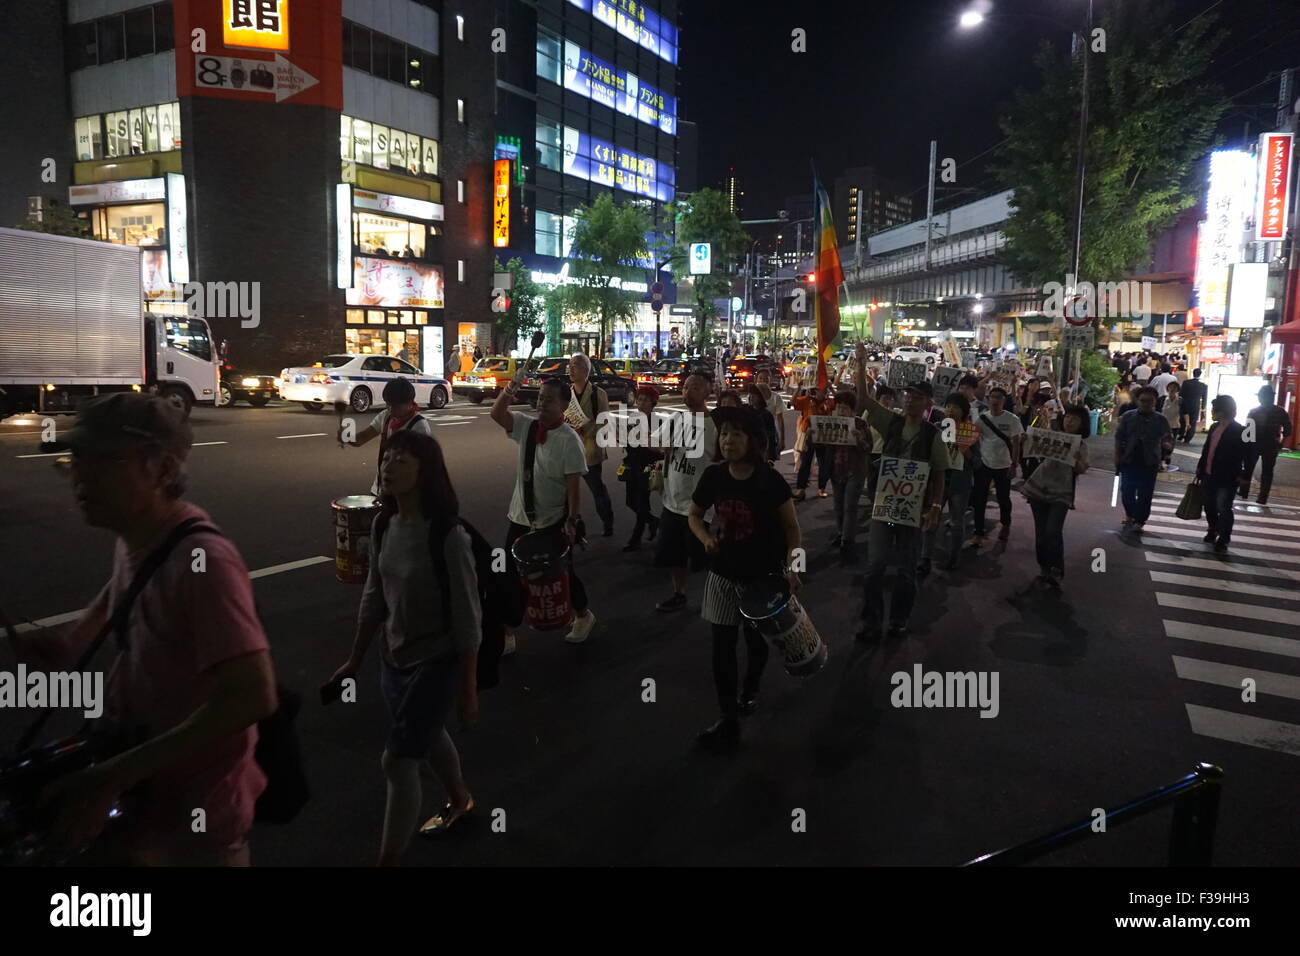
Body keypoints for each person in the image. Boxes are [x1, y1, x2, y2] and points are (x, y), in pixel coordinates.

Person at [17, 393, 277, 865]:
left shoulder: (204, 563)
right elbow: (126, 581)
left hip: (195, 823)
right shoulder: (140, 537)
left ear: (160, 468)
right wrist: (74, 637)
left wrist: (114, 775)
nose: (80, 477)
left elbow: (252, 695)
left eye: (103, 461)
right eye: (75, 459)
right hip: (145, 804)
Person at [329, 431, 480, 865]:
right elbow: (374, 595)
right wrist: (354, 659)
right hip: (392, 657)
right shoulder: (382, 524)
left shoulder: (449, 537)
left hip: (437, 661)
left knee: (397, 762)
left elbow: (468, 619)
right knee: (427, 738)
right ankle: (461, 800)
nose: (389, 466)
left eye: (402, 460)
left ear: (426, 472)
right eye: (387, 458)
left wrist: (467, 690)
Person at [688, 406, 801, 751]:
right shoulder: (713, 476)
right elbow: (694, 515)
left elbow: (792, 528)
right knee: (721, 649)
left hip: (761, 579)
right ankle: (728, 718)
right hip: (722, 576)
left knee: (755, 644)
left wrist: (795, 566)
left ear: (753, 440)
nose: (728, 440)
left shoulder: (770, 480)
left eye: (736, 433)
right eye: (724, 433)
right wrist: (705, 538)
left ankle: (750, 689)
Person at [492, 373, 597, 643]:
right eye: (540, 398)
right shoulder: (526, 426)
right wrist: (509, 390)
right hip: (520, 516)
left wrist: (573, 520)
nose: (542, 404)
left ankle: (583, 614)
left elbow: (573, 487)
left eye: (549, 400)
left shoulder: (569, 440)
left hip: (552, 520)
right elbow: (497, 413)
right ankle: (507, 632)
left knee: (561, 573)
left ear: (564, 405)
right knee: (507, 573)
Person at [654, 374, 717, 612]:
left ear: (707, 392)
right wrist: (663, 446)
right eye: (686, 386)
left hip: (698, 504)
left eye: (696, 387)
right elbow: (660, 444)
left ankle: (718, 596)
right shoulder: (676, 419)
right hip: (672, 500)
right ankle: (679, 593)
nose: (688, 391)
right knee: (674, 555)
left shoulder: (714, 425)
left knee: (704, 556)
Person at [1021, 405, 1091, 590]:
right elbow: (1033, 448)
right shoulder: (1052, 436)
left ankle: (1057, 568)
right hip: (1039, 487)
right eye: (1068, 417)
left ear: (1082, 424)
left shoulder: (1081, 445)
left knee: (1053, 530)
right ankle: (1044, 567)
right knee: (1041, 533)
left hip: (1062, 491)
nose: (1070, 421)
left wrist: (1076, 460)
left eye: (1075, 419)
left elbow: (1082, 468)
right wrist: (1025, 440)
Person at [339, 378, 433, 496]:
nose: (390, 409)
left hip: (405, 494)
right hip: (381, 490)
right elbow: (362, 438)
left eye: (396, 406)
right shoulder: (385, 417)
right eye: (388, 404)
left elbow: (424, 466)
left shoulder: (419, 427)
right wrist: (347, 437)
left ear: (410, 403)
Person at [923, 392, 977, 573]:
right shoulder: (936, 428)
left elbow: (978, 462)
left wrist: (967, 450)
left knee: (956, 522)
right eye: (948, 406)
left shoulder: (970, 431)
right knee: (932, 518)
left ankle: (954, 557)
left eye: (956, 407)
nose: (951, 410)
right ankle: (925, 558)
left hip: (960, 483)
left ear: (964, 412)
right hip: (939, 481)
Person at [969, 386, 1023, 546]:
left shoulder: (1012, 419)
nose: (995, 400)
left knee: (1003, 499)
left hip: (1004, 465)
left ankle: (1006, 524)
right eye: (992, 397)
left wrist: (1014, 464)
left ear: (1003, 400)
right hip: (984, 464)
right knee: (980, 500)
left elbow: (1016, 443)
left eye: (998, 397)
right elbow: (972, 438)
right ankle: (978, 532)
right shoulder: (982, 419)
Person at [568, 353, 616, 537]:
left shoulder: (598, 394)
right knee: (565, 493)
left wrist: (584, 428)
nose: (571, 369)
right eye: (570, 365)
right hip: (569, 450)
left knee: (597, 489)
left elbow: (604, 422)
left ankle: (608, 521)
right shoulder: (566, 393)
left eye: (576, 365)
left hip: (589, 451)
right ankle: (570, 527)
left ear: (586, 370)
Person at [1114, 386, 1172, 533]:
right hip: (1129, 459)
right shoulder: (1128, 416)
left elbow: (1168, 439)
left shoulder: (1161, 419)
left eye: (1149, 401)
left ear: (1155, 402)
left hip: (1150, 462)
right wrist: (1116, 455)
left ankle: (1139, 520)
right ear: (1137, 401)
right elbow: (1119, 437)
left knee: (1145, 493)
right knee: (1127, 490)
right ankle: (1131, 514)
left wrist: (1167, 448)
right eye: (1143, 400)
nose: (1146, 403)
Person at [1197, 395, 1251, 552]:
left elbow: (1248, 456)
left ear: (1223, 411)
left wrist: (1244, 476)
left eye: (1215, 409)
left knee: (1224, 506)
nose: (1212, 412)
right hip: (1209, 473)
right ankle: (1213, 529)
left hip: (1227, 477)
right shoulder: (1214, 427)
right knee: (1209, 505)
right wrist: (1201, 468)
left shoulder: (1240, 431)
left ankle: (1224, 537)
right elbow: (1207, 449)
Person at [827, 390, 872, 562]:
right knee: (838, 505)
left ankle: (847, 541)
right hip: (837, 469)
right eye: (838, 407)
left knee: (850, 507)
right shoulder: (831, 423)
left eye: (845, 408)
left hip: (855, 471)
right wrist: (812, 436)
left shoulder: (860, 424)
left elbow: (869, 447)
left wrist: (860, 439)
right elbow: (825, 446)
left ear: (852, 410)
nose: (841, 411)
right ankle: (841, 532)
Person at [621, 385, 663, 551]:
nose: (642, 403)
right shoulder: (632, 419)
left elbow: (661, 448)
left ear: (653, 403)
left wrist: (645, 440)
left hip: (647, 467)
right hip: (631, 464)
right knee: (630, 502)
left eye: (646, 400)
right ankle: (654, 522)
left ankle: (635, 539)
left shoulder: (656, 422)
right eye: (640, 399)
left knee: (641, 503)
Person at [1245, 386, 1293, 504]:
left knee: (1248, 468)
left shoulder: (1254, 411)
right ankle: (1262, 497)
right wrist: (1281, 443)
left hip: (1254, 444)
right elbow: (1287, 429)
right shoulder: (1280, 412)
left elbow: (1247, 430)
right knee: (1267, 472)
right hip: (1271, 444)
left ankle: (1244, 491)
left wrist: (1245, 445)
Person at [792, 383, 835, 500]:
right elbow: (793, 402)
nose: (825, 392)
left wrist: (831, 388)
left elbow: (840, 402)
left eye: (826, 390)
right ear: (816, 390)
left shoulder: (829, 402)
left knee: (823, 463)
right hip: (809, 436)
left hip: (823, 437)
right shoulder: (807, 400)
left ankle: (822, 488)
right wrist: (799, 387)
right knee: (805, 462)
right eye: (823, 389)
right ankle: (801, 488)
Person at [746, 384, 780, 466]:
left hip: (762, 452)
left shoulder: (766, 415)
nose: (751, 397)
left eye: (754, 395)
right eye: (750, 394)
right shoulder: (746, 411)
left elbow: (771, 437)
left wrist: (770, 456)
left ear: (761, 398)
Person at [755, 370, 787, 454]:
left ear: (770, 380)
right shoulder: (751, 397)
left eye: (766, 379)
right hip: (755, 434)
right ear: (756, 380)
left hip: (770, 433)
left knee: (769, 459)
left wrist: (782, 440)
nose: (763, 381)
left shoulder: (776, 397)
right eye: (760, 378)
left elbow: (780, 420)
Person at [1159, 381, 1183, 472]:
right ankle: (1161, 461)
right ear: (1167, 388)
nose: (1172, 389)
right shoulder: (1162, 399)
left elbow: (1184, 412)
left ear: (1177, 390)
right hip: (1163, 425)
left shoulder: (1180, 400)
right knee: (1161, 443)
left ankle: (1167, 459)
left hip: (1174, 425)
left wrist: (1187, 424)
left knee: (1171, 444)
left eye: (1175, 388)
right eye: (1170, 387)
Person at [1179, 369, 1207, 443]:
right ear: (1200, 374)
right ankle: (1188, 438)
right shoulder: (1203, 386)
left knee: (1182, 420)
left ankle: (1181, 434)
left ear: (1193, 373)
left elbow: (1181, 394)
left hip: (1185, 403)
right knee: (1193, 422)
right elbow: (1204, 398)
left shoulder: (1186, 383)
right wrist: (1203, 407)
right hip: (1196, 405)